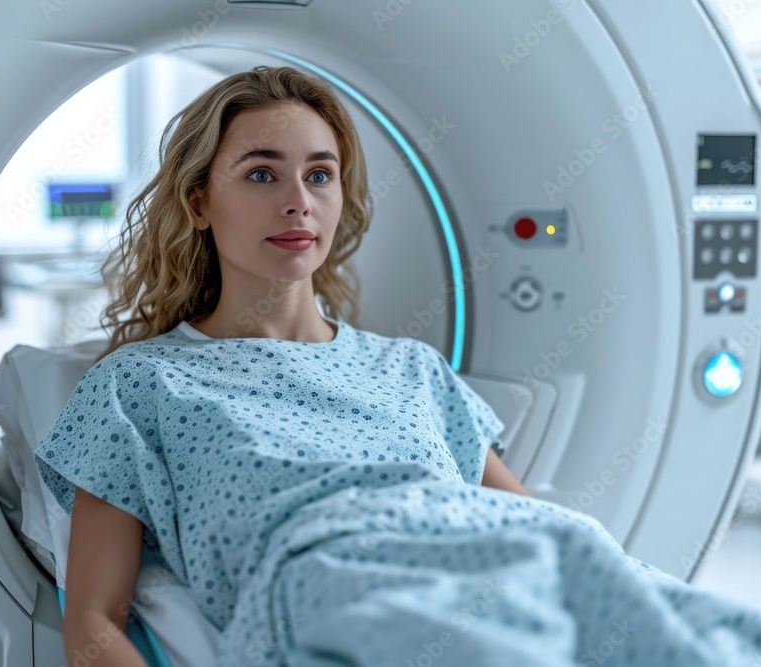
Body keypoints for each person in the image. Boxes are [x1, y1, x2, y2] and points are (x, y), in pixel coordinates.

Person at [35, 65, 527, 667]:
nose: (299, 202)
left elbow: (543, 535)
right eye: (262, 174)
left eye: (319, 175)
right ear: (198, 203)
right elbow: (92, 625)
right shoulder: (138, 386)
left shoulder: (413, 371)